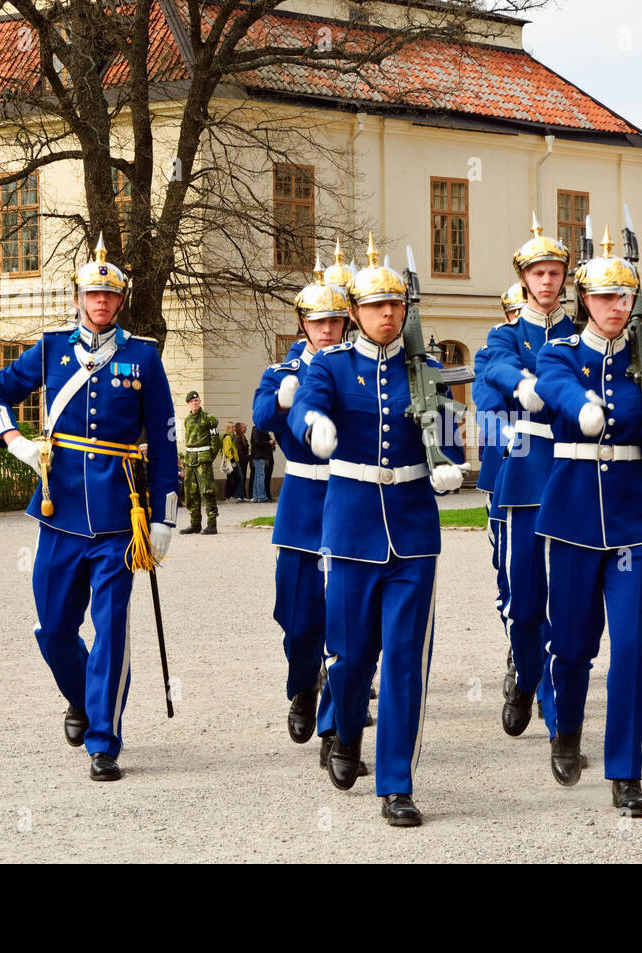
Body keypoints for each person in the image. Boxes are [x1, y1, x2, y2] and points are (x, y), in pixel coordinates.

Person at [0, 235, 178, 781]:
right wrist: (15, 442)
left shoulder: (143, 357)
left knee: (111, 629)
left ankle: (103, 740)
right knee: (52, 629)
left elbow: (163, 440)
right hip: (59, 510)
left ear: (120, 301)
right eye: (92, 294)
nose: (101, 304)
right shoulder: (48, 349)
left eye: (109, 297)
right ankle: (83, 697)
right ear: (78, 298)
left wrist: (165, 516)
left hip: (122, 517)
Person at [289, 235, 465, 827]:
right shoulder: (333, 365)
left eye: (395, 306)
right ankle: (342, 731)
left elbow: (451, 436)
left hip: (413, 527)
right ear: (355, 313)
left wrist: (450, 466)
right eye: (374, 307)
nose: (386, 315)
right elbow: (305, 403)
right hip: (353, 523)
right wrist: (314, 423)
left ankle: (397, 782)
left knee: (406, 660)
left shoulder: (426, 371)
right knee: (350, 651)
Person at [534, 229, 642, 816]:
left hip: (629, 519)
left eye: (624, 297)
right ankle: (566, 727)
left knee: (631, 648)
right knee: (571, 647)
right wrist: (582, 408)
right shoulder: (560, 350)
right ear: (583, 301)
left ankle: (626, 770)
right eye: (604, 298)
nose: (616, 307)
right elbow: (553, 387)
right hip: (571, 513)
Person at [253, 257, 363, 773]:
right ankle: (302, 686)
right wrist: (283, 396)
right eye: (319, 321)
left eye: (336, 320)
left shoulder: (356, 372)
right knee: (298, 620)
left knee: (347, 624)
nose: (328, 329)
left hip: (350, 499)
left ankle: (337, 729)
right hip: (302, 501)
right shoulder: (282, 370)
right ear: (303, 324)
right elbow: (260, 417)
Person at [482, 216, 574, 740]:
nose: (546, 281)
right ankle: (523, 670)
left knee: (566, 599)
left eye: (554, 272)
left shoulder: (580, 334)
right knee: (522, 599)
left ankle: (561, 721)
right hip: (521, 470)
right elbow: (491, 373)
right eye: (538, 272)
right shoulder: (506, 334)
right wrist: (523, 382)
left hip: (571, 469)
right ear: (523, 278)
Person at [475, 282, 524, 700]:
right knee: (510, 570)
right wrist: (516, 438)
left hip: (554, 471)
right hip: (506, 472)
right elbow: (487, 408)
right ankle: (518, 650)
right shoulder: (493, 352)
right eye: (516, 313)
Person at [180, 391, 220, 535]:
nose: (194, 403)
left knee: (207, 491)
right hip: (190, 458)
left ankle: (211, 524)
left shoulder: (209, 419)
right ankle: (195, 523)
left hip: (203, 458)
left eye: (196, 400)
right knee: (190, 492)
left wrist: (209, 457)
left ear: (200, 401)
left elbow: (216, 441)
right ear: (188, 404)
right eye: (192, 401)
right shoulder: (188, 420)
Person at [232, 422, 251, 501]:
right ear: (239, 429)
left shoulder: (243, 437)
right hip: (240, 461)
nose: (245, 428)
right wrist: (245, 459)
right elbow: (240, 451)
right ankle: (238, 496)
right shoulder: (238, 438)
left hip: (244, 461)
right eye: (243, 427)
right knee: (240, 478)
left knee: (243, 478)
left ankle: (242, 495)